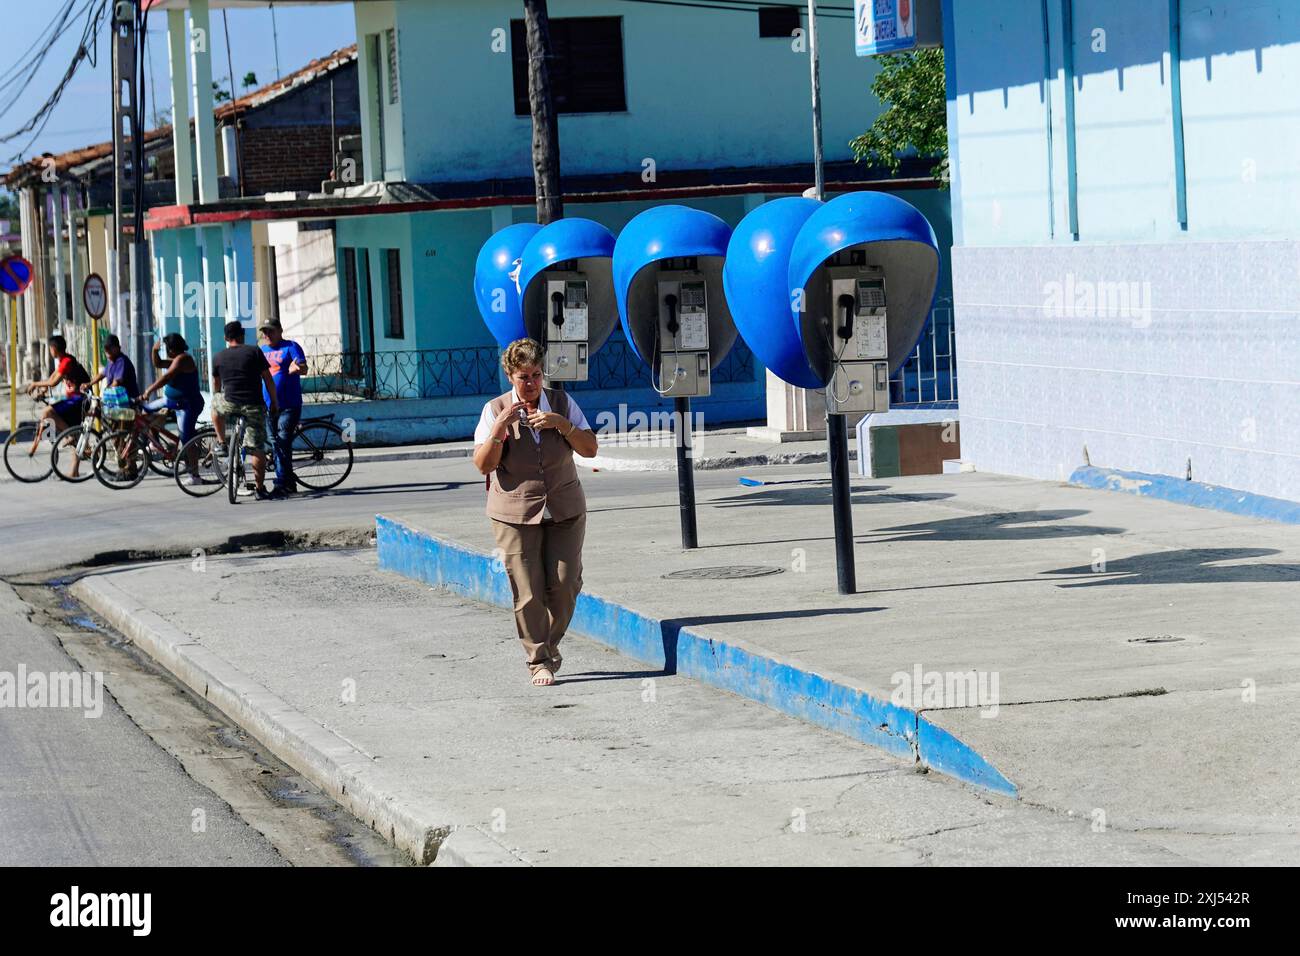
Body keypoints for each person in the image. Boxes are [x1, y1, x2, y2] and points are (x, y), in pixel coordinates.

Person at [472, 338, 598, 687]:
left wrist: (561, 424)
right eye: (523, 376)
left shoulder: (561, 403)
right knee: (527, 590)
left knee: (566, 584)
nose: (531, 384)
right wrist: (500, 429)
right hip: (514, 512)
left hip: (564, 507)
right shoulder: (494, 409)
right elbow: (483, 464)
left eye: (537, 375)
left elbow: (590, 450)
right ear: (511, 376)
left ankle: (550, 645)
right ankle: (538, 660)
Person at [211, 321, 279, 500]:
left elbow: (216, 386)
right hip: (253, 405)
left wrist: (220, 397)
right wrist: (274, 402)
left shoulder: (218, 357)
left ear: (226, 338)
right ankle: (259, 489)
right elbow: (268, 379)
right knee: (257, 448)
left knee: (215, 402)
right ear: (242, 335)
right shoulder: (254, 351)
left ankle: (221, 442)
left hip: (229, 403)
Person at [141, 334, 206, 482]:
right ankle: (156, 444)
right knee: (146, 410)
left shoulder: (184, 359)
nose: (166, 352)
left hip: (188, 405)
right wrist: (154, 351)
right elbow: (158, 364)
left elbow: (166, 377)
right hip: (172, 401)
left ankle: (195, 476)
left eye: (166, 348)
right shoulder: (176, 359)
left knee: (186, 438)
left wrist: (148, 391)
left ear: (172, 349)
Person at [258, 318, 308, 499]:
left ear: (280, 330)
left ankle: (281, 483)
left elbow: (304, 368)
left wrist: (297, 367)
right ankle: (289, 482)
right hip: (269, 405)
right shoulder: (262, 351)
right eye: (264, 332)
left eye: (270, 331)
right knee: (276, 444)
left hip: (289, 404)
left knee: (281, 442)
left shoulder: (290, 346)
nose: (267, 335)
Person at [25, 335, 90, 456]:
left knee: (47, 412)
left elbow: (53, 382)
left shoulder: (67, 361)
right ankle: (76, 469)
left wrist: (35, 384)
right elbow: (52, 377)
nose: (50, 351)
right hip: (73, 400)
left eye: (50, 348)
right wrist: (42, 391)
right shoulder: (63, 360)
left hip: (78, 400)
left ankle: (70, 435)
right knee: (70, 431)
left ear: (54, 348)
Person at [83, 334, 139, 399]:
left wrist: (106, 393)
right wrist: (89, 384)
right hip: (115, 399)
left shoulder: (121, 361)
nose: (107, 351)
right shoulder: (111, 361)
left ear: (118, 348)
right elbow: (102, 374)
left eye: (110, 348)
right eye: (106, 348)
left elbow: (116, 383)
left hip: (127, 401)